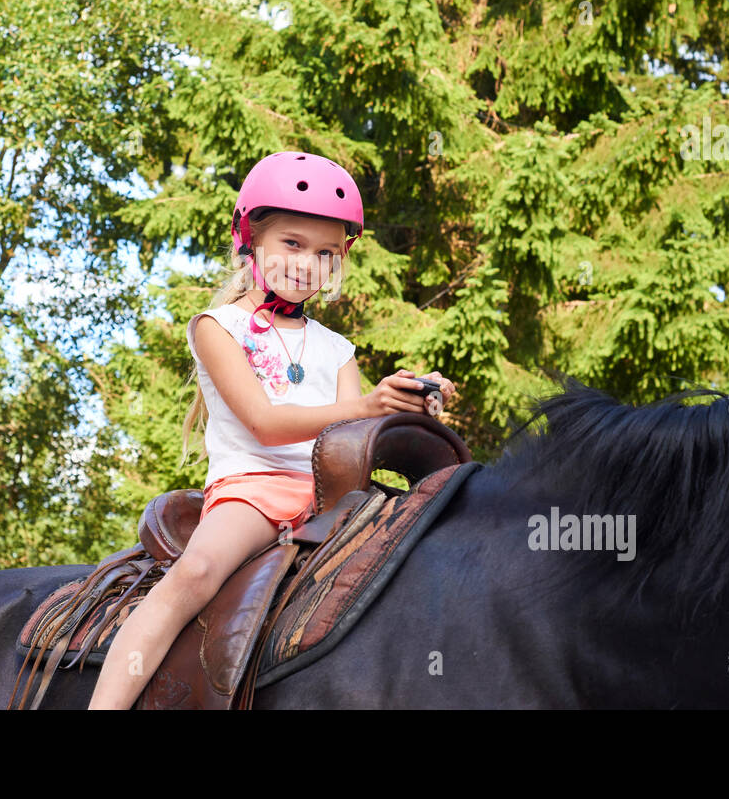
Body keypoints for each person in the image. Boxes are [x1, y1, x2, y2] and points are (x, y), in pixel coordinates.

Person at [86, 150, 457, 709]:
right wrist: (367, 406)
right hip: (254, 489)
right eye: (292, 243)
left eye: (326, 252)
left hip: (335, 497)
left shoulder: (336, 349)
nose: (308, 263)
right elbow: (265, 423)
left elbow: (348, 445)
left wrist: (405, 406)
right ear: (250, 240)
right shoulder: (218, 327)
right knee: (197, 573)